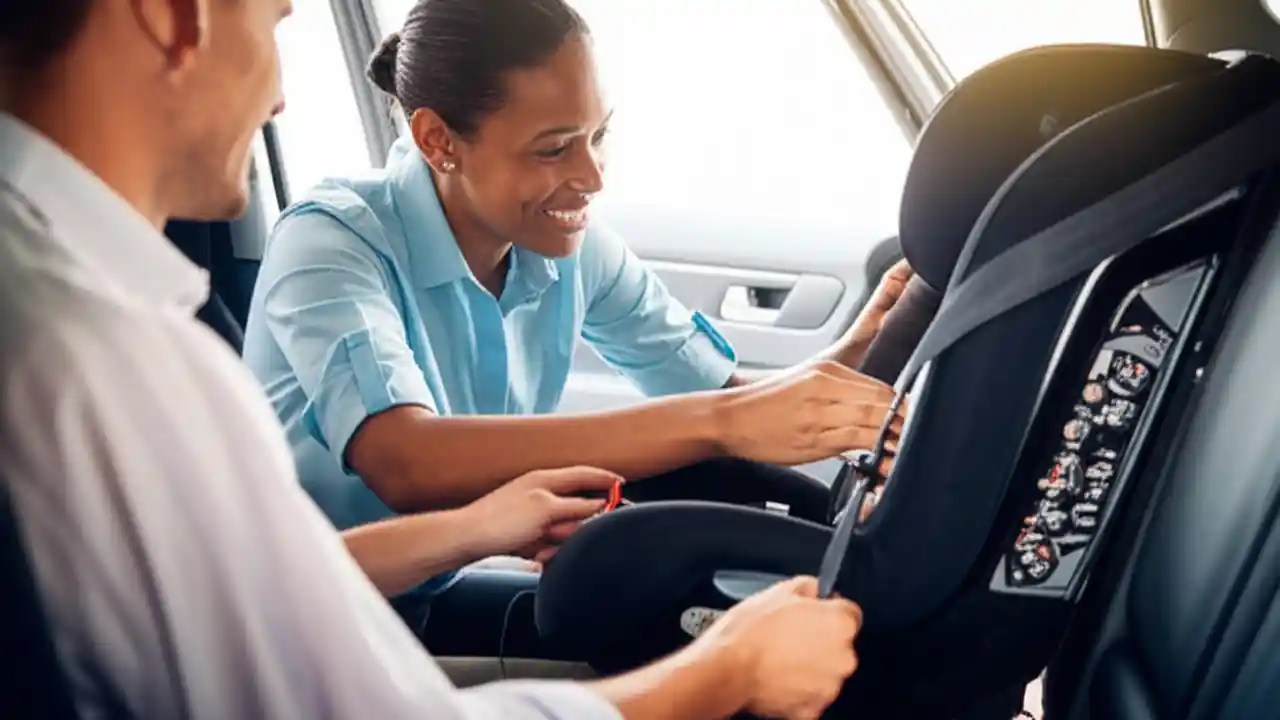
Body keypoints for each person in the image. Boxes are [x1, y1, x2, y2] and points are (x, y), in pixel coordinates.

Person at [0, 1, 869, 718]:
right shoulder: (120, 350)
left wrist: (862, 351)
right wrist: (722, 673)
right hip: (368, 606)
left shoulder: (73, 315)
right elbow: (404, 466)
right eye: (270, 21)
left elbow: (731, 394)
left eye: (599, 136)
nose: (278, 98)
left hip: (400, 582)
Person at [240, 0, 912, 639]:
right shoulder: (331, 243)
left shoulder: (570, 247)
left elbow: (717, 399)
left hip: (431, 587)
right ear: (439, 141)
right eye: (555, 148)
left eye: (599, 135)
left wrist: (844, 363)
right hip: (295, 615)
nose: (592, 176)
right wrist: (724, 423)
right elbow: (406, 460)